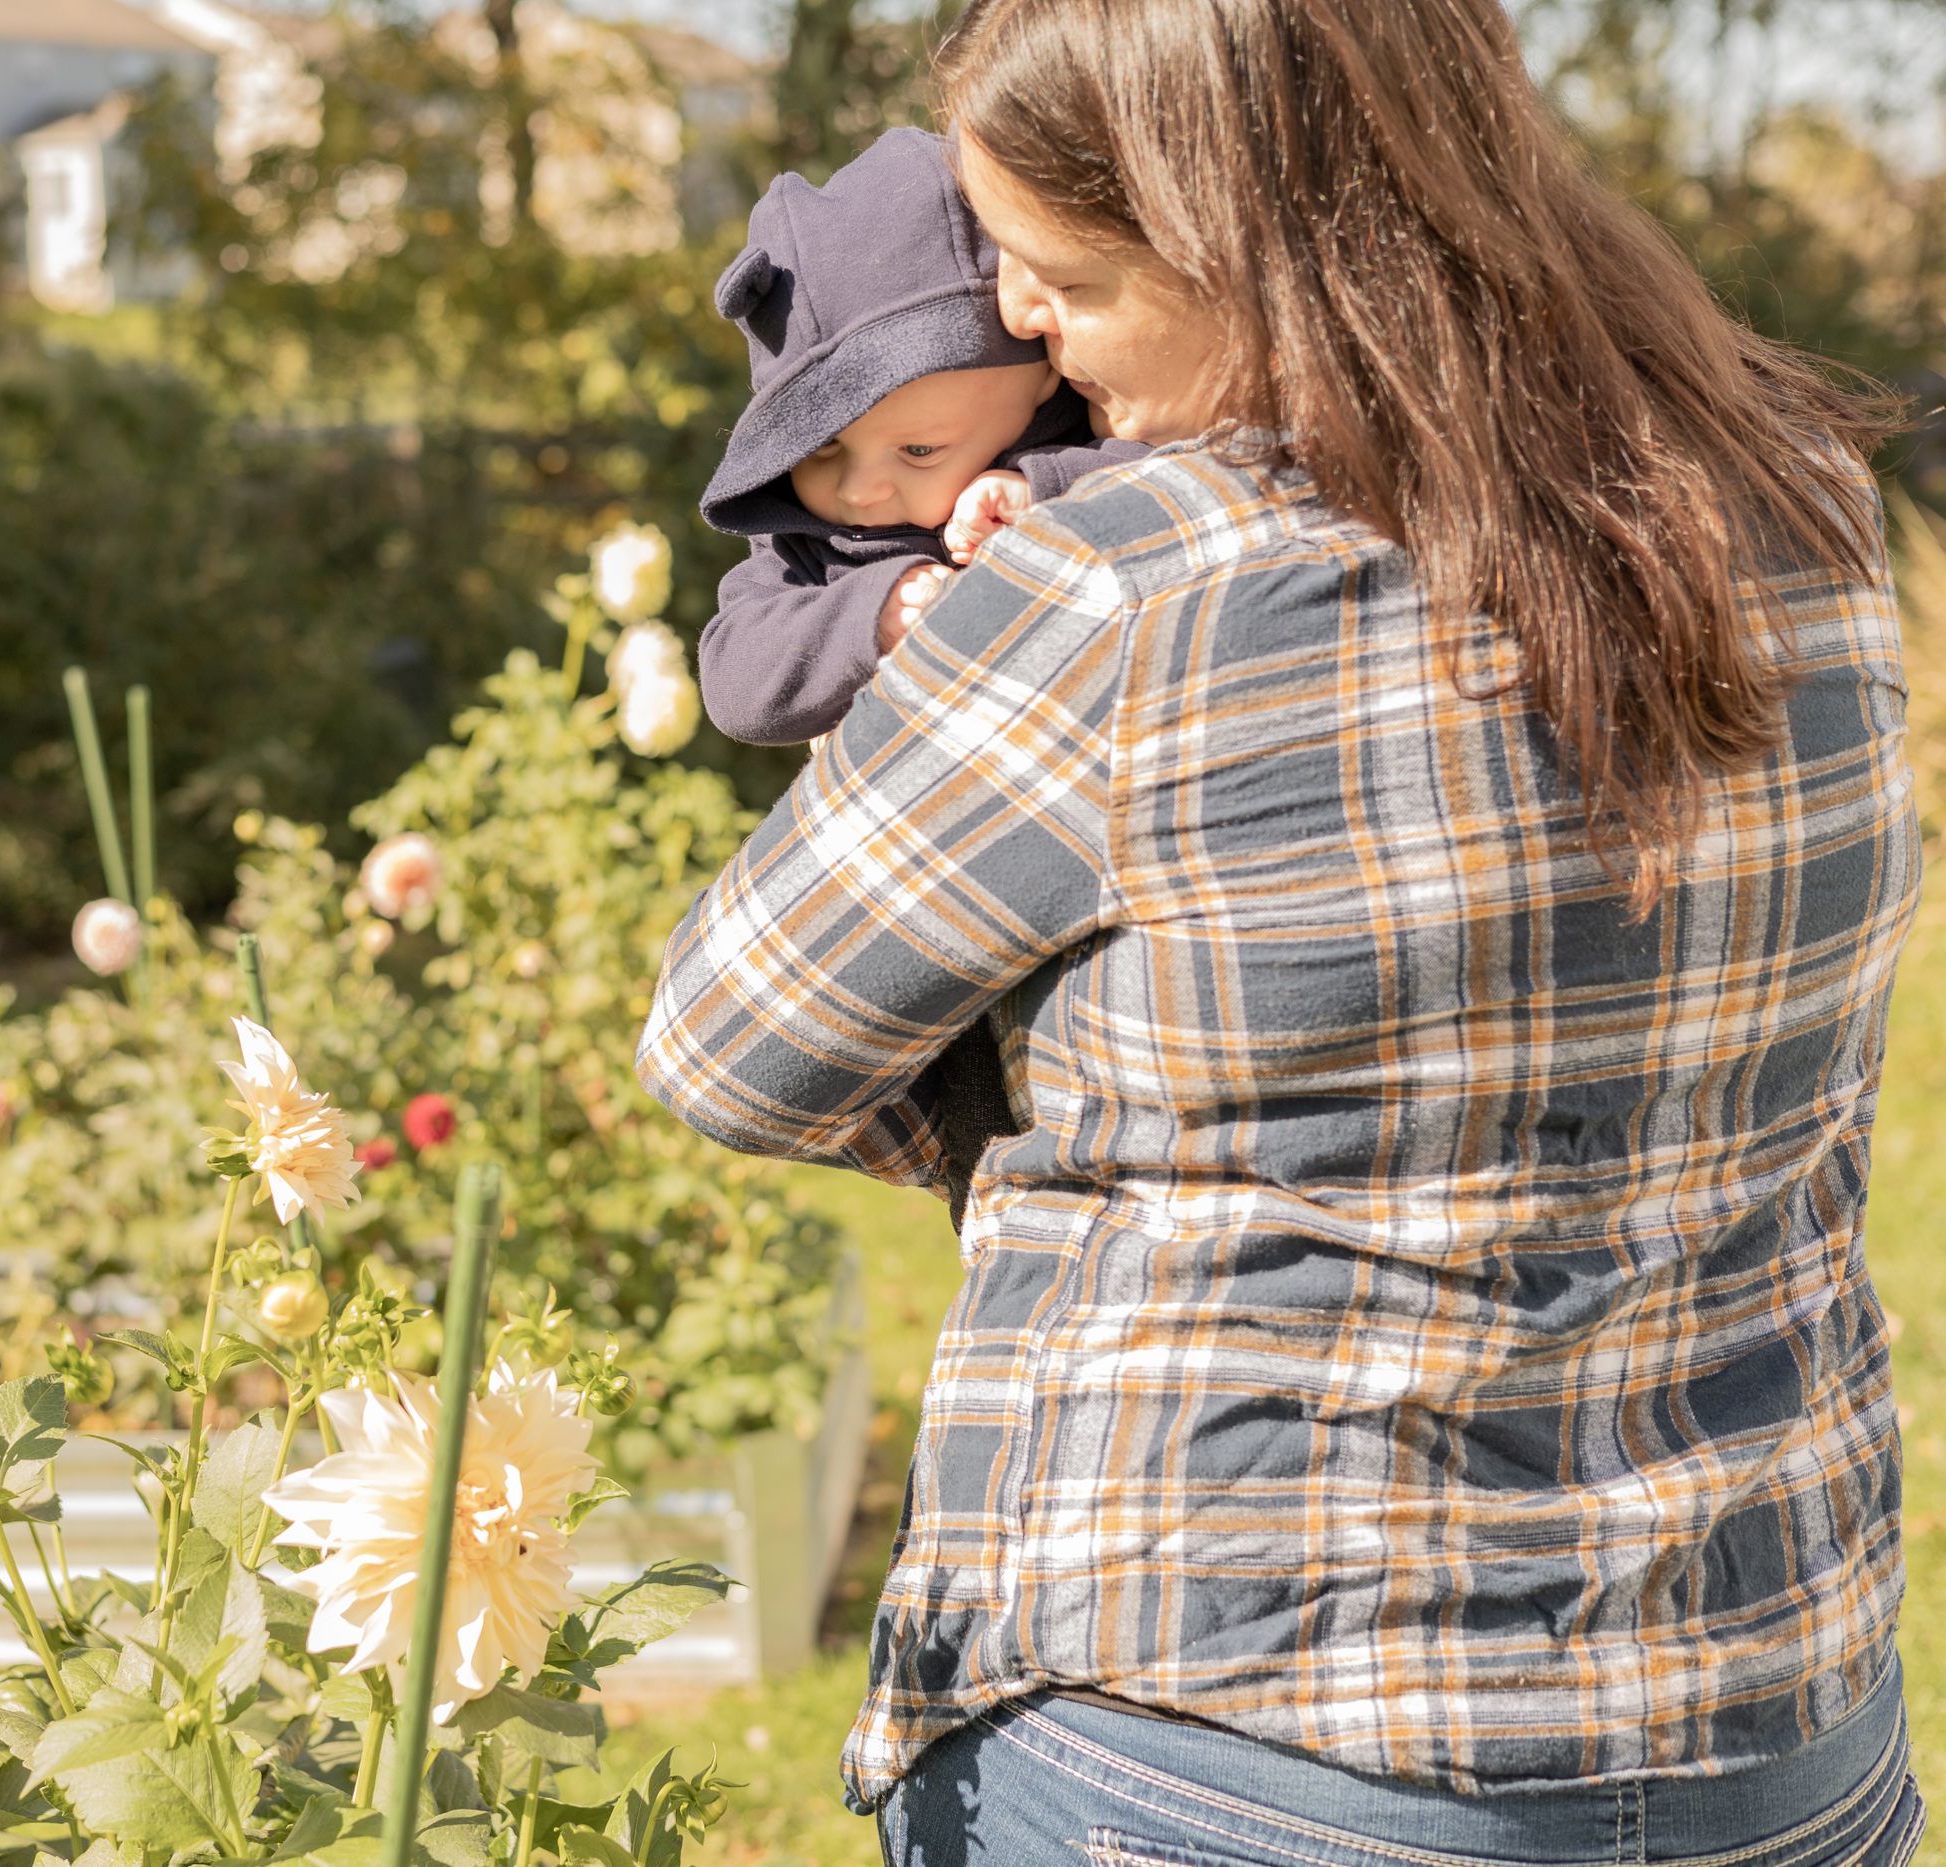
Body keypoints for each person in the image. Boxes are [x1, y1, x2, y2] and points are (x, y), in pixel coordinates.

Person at [632, 0, 1925, 1858]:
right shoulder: (1794, 490)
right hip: (1775, 1707)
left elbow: (729, 1040)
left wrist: (1049, 1101)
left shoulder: (1124, 581)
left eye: (1068, 273)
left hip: (1233, 1720)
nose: (1021, 322)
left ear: (1245, 240)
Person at [697, 124, 1148, 1227]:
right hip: (914, 937)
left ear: (1032, 371)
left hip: (1073, 903)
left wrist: (1046, 487)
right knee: (981, 1160)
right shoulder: (811, 550)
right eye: (820, 451)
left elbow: (1171, 474)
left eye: (915, 452)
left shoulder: (1073, 449)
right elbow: (735, 679)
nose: (861, 491)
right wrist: (875, 613)